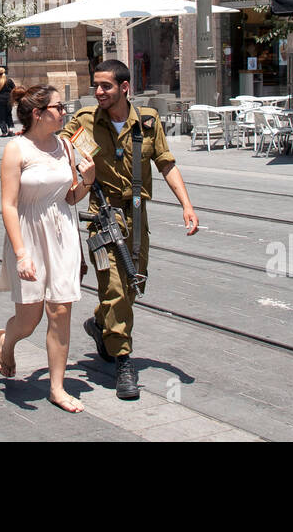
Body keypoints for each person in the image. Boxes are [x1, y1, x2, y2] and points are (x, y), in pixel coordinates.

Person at [63, 60, 200, 401]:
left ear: (125, 88)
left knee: (133, 283)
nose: (98, 92)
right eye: (96, 85)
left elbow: (166, 163)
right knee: (114, 288)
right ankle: (123, 361)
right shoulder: (86, 123)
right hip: (101, 215)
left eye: (105, 86)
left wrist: (187, 205)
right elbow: (59, 146)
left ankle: (100, 325)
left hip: (136, 216)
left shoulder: (148, 122)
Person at [0, 85, 96, 413]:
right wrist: (21, 253)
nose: (64, 111)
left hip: (63, 234)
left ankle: (57, 387)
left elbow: (70, 197)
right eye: (58, 107)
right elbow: (9, 206)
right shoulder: (16, 149)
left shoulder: (66, 146)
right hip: (27, 235)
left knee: (60, 310)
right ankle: (6, 341)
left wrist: (89, 181)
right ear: (39, 114)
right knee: (29, 319)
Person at [0, 67, 15, 137]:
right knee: (8, 114)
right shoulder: (9, 81)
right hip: (9, 100)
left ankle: (4, 132)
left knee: (1, 116)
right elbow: (15, 89)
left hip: (0, 101)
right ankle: (10, 129)